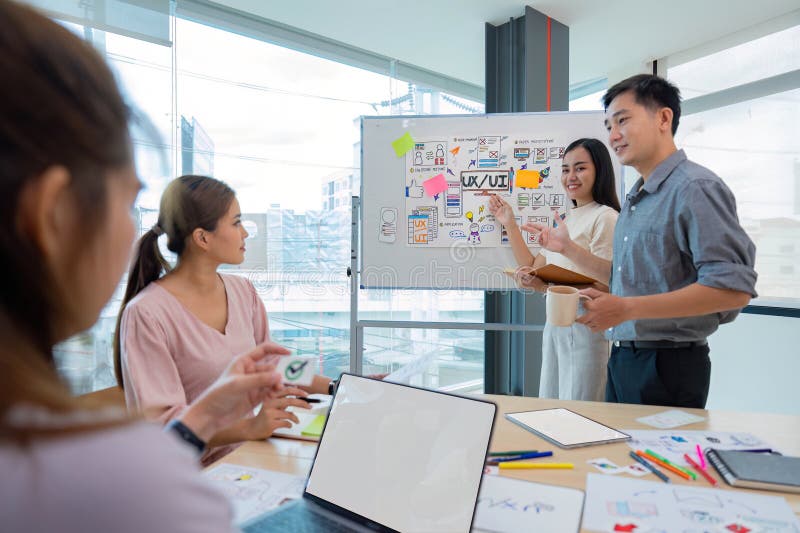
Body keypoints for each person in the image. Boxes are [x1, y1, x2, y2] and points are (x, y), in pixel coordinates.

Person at [0, 2, 289, 530]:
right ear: (56, 215)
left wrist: (216, 413)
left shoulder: (243, 292)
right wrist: (231, 426)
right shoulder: (107, 485)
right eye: (125, 201)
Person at [527, 74, 757, 408]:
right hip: (624, 358)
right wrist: (608, 292)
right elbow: (625, 279)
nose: (613, 135)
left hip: (668, 364)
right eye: (608, 125)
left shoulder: (695, 188)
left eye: (622, 120)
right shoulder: (638, 199)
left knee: (654, 460)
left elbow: (732, 289)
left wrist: (626, 307)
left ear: (664, 118)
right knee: (617, 458)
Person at [114, 174, 336, 464]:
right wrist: (251, 427)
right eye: (236, 222)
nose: (245, 233)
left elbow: (271, 366)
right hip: (187, 473)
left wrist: (337, 386)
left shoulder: (242, 291)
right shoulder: (147, 313)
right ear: (202, 238)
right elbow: (162, 428)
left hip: (248, 457)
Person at [489, 138, 620, 401]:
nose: (570, 176)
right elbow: (536, 268)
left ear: (600, 171)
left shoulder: (605, 217)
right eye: (565, 169)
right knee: (550, 405)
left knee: (580, 410)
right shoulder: (567, 218)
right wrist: (510, 225)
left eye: (580, 168)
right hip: (556, 325)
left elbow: (609, 284)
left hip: (586, 326)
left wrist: (562, 261)